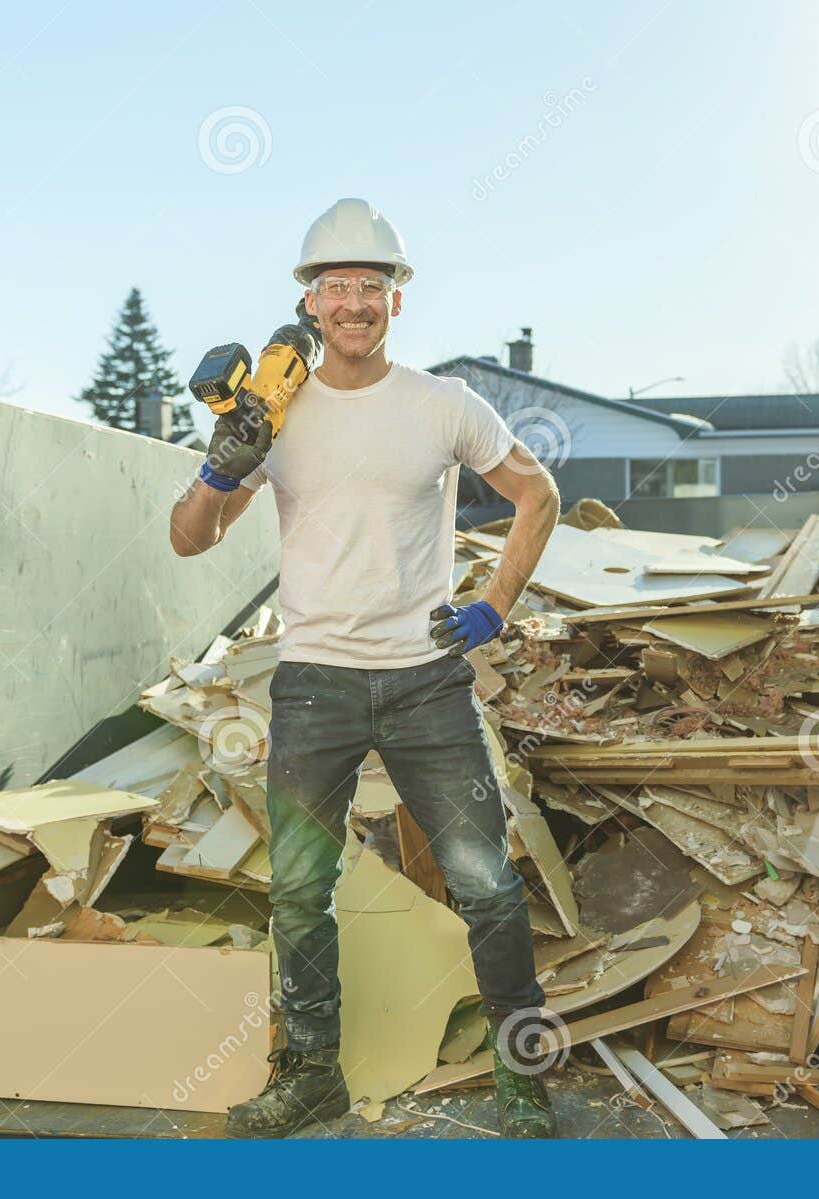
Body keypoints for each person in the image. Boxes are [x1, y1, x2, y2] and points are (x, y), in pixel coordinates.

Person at [168, 198, 561, 1137]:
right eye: (336, 285)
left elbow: (537, 494)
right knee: (301, 889)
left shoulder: (442, 405)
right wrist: (225, 469)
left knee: (486, 883)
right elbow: (187, 538)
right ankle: (312, 1075)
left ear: (397, 300)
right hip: (315, 683)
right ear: (308, 301)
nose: (354, 302)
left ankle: (523, 1072)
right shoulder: (275, 412)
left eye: (371, 286)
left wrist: (495, 605)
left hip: (427, 680)